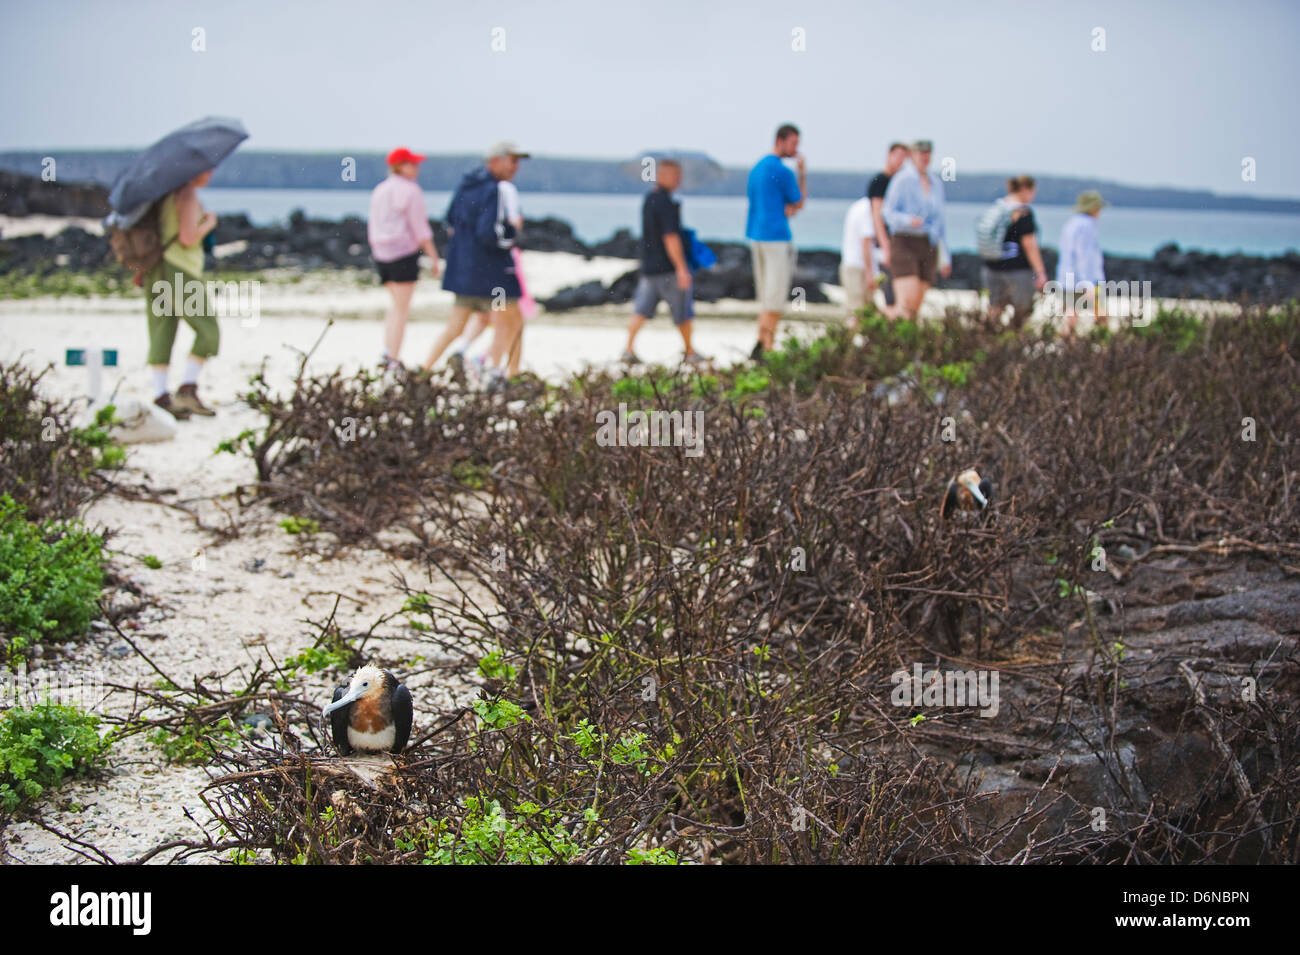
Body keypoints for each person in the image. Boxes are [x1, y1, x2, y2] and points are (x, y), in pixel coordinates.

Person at [423, 141, 530, 388]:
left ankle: (422, 372)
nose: (516, 167)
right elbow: (488, 233)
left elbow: (450, 220)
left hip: (463, 272)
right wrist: (512, 232)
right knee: (512, 322)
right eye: (512, 161)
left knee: (455, 327)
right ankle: (503, 374)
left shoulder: (465, 185)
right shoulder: (494, 190)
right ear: (496, 161)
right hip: (493, 274)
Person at [145, 170, 220, 420]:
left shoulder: (164, 196)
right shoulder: (187, 194)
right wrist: (208, 223)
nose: (211, 172)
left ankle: (160, 396)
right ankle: (187, 389)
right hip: (179, 268)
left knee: (162, 330)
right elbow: (188, 238)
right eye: (208, 168)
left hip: (156, 269)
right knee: (208, 331)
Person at [622, 158, 708, 366]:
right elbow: (670, 237)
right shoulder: (666, 203)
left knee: (641, 310)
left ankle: (628, 349)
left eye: (680, 175)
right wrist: (681, 268)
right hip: (667, 269)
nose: (679, 179)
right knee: (683, 312)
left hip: (649, 267)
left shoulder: (649, 199)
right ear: (661, 175)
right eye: (675, 175)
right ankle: (689, 351)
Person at [368, 147, 440, 369]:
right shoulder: (411, 190)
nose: (416, 168)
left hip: (381, 254)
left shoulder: (380, 189)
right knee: (401, 309)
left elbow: (374, 223)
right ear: (400, 165)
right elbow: (420, 228)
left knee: (395, 306)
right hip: (402, 254)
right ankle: (392, 358)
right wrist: (433, 256)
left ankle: (387, 353)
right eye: (412, 164)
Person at [745, 124, 805, 360]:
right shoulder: (782, 171)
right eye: (793, 143)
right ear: (780, 141)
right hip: (776, 237)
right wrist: (803, 171)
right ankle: (766, 347)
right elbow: (798, 203)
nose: (796, 149)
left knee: (766, 296)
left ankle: (761, 343)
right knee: (776, 298)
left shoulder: (756, 168)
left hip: (756, 236)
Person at [881, 140, 950, 319]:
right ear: (912, 156)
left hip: (928, 244)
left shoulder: (936, 183)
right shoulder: (902, 179)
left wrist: (946, 256)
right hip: (905, 241)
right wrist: (908, 220)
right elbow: (888, 212)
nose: (925, 157)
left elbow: (940, 222)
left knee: (915, 308)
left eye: (927, 153)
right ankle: (884, 335)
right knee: (905, 303)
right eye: (921, 153)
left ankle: (904, 343)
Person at [978, 175, 1048, 330]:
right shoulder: (1023, 213)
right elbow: (1029, 245)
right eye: (1032, 191)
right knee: (1023, 309)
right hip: (1017, 270)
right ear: (1025, 189)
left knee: (995, 306)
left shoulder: (999, 207)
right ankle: (1013, 339)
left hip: (991, 266)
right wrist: (1040, 272)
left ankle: (984, 339)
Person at [1056, 190, 1108, 337]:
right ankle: (1105, 347)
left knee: (1070, 314)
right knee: (1100, 313)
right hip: (1084, 279)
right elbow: (1084, 257)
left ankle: (1068, 348)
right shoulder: (1087, 225)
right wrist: (1089, 284)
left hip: (1066, 277)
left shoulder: (1071, 223)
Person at [866, 142, 908, 318]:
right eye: (897, 156)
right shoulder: (880, 181)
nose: (900, 161)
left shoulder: (901, 182)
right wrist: (885, 245)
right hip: (886, 244)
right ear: (889, 155)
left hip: (901, 242)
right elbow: (877, 215)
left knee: (902, 294)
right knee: (890, 294)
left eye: (903, 157)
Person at [839, 195, 876, 320]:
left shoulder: (860, 206)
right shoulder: (866, 210)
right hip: (857, 266)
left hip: (852, 263)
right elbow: (865, 242)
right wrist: (870, 272)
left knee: (862, 311)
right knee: (857, 310)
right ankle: (849, 338)